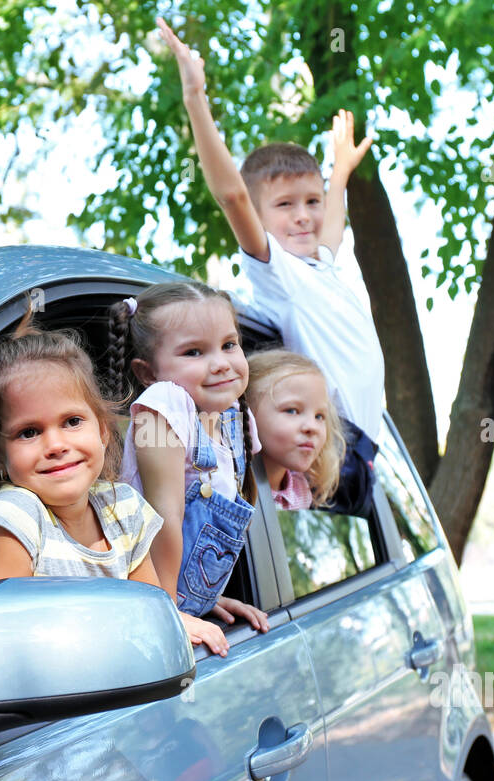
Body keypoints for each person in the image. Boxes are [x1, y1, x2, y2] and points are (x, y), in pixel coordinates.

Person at [157, 15, 385, 517]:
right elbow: (233, 194)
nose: (302, 216)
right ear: (260, 219)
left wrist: (340, 175)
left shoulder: (324, 263)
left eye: (311, 200)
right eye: (284, 206)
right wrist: (196, 97)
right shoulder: (278, 274)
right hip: (334, 448)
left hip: (371, 454)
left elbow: (331, 226)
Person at [0, 302, 229, 657]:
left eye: (71, 422)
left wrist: (170, 618)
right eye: (28, 432)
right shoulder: (15, 519)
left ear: (102, 430)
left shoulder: (125, 508)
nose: (55, 445)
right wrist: (159, 620)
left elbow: (151, 612)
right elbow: (4, 643)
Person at [104, 281, 269, 643]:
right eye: (194, 352)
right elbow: (164, 516)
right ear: (148, 372)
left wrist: (204, 595)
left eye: (229, 345)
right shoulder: (162, 406)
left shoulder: (235, 417)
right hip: (141, 609)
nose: (221, 364)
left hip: (176, 601)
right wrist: (169, 611)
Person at [246, 349, 345, 510]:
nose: (312, 427)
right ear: (247, 413)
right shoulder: (228, 487)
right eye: (292, 411)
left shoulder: (301, 492)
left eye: (319, 416)